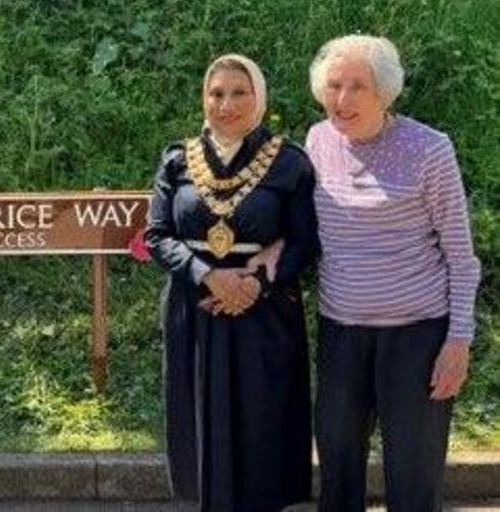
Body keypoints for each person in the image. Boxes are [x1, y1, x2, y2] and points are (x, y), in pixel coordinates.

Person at [305, 35, 481, 511]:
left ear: (385, 92)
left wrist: (458, 341)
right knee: (338, 469)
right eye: (334, 86)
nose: (342, 100)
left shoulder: (429, 149)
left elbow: (461, 258)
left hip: (417, 337)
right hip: (341, 332)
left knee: (413, 474)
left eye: (357, 86)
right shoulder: (317, 141)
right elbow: (305, 227)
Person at [144, 54, 318, 510]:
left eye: (239, 92)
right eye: (216, 93)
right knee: (200, 415)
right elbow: (157, 236)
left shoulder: (289, 161)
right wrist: (209, 276)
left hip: (265, 308)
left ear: (258, 97)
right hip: (195, 304)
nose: (227, 104)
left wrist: (255, 283)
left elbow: (305, 241)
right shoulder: (177, 160)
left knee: (261, 417)